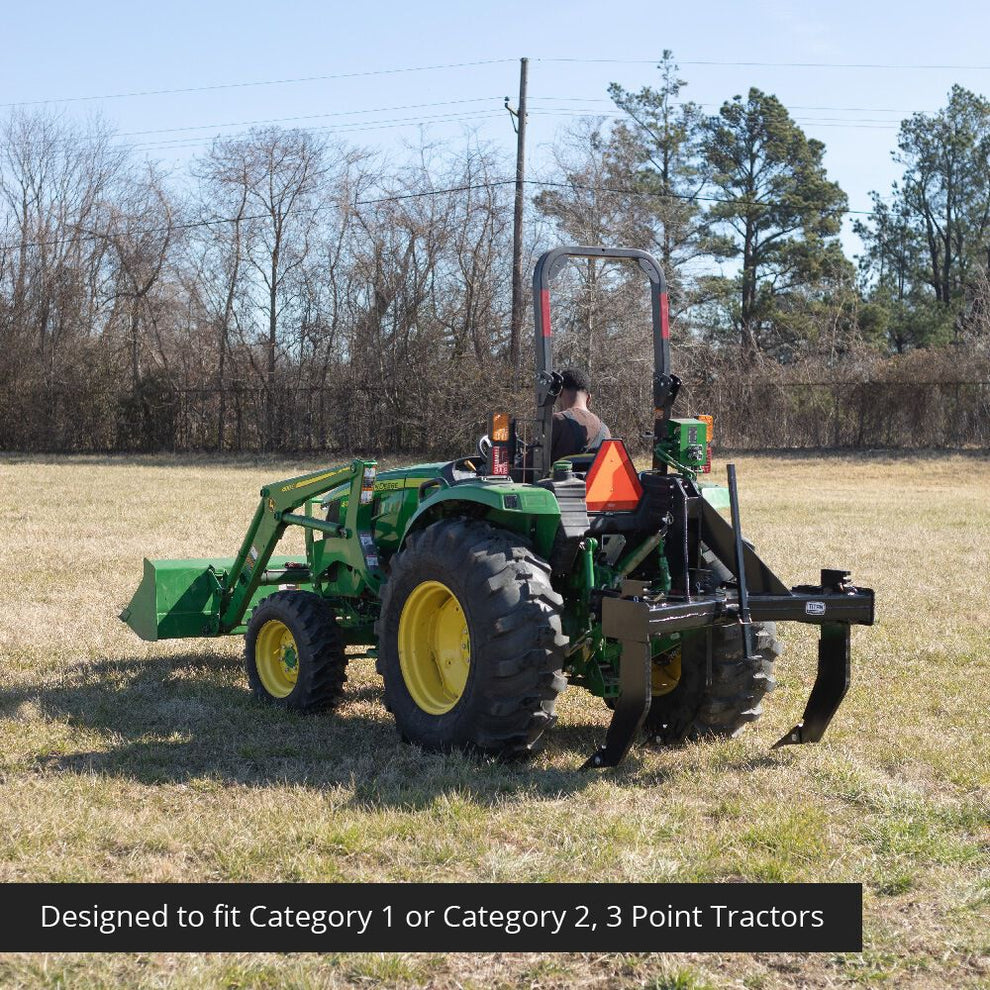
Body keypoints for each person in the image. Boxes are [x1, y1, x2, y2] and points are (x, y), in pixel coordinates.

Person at [549, 367, 611, 465]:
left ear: (560, 392)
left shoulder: (556, 421)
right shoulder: (604, 431)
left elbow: (529, 467)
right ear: (589, 398)